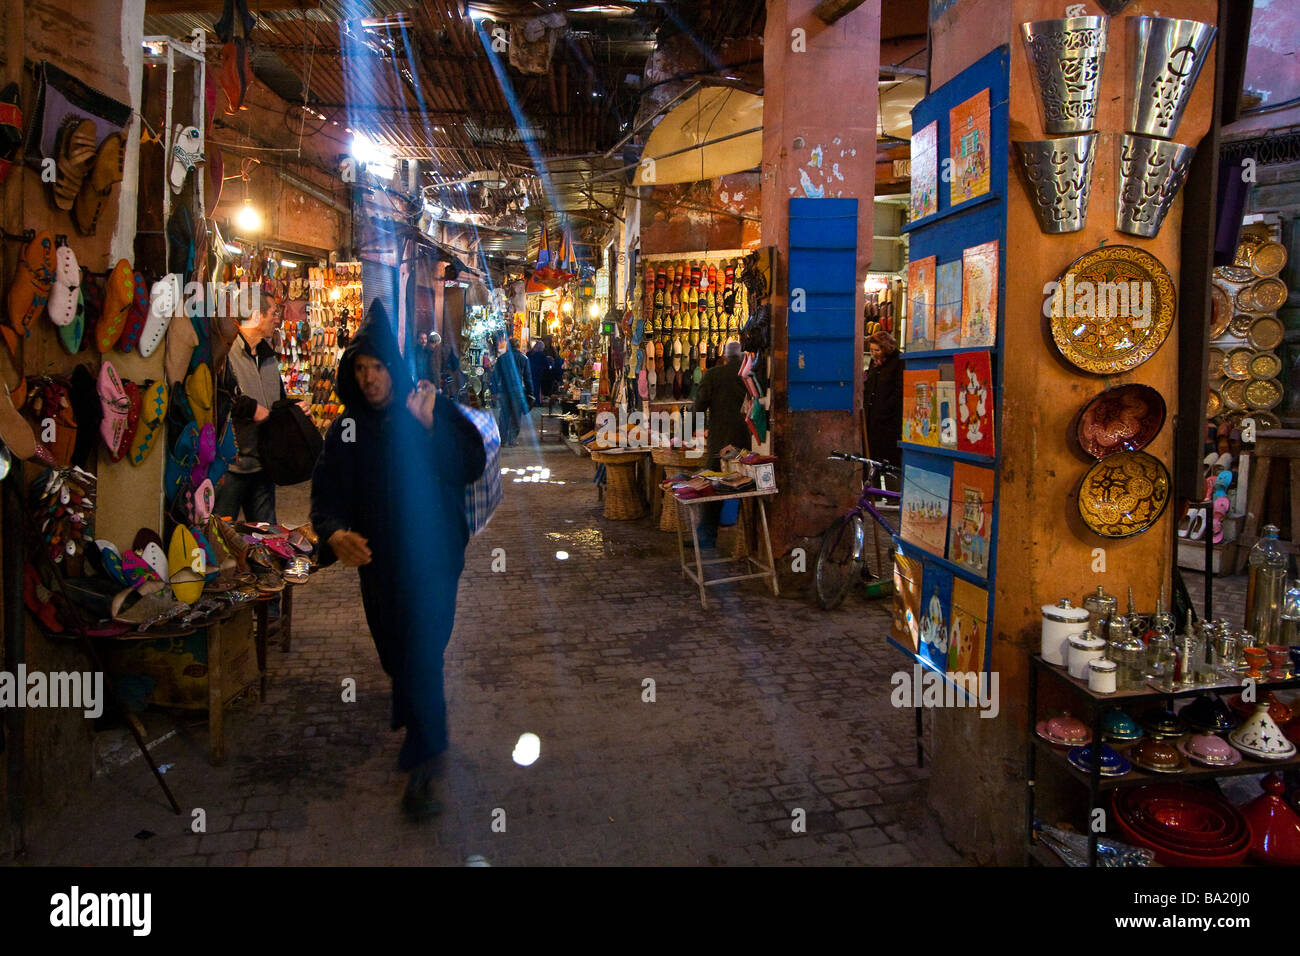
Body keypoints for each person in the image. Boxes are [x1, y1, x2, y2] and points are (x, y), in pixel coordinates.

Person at [309, 301, 486, 821]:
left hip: (432, 559)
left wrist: (433, 429)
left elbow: (469, 464)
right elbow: (326, 493)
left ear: (395, 368)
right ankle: (420, 730)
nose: (369, 379)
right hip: (379, 566)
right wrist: (335, 532)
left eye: (378, 368)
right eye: (360, 369)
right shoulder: (346, 431)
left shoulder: (425, 406)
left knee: (421, 653)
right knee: (397, 654)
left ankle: (424, 762)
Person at [692, 339, 751, 549]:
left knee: (713, 486)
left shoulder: (715, 375)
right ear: (742, 357)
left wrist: (692, 429)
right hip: (746, 441)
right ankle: (746, 540)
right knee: (746, 488)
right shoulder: (749, 376)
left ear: (724, 357)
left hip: (720, 441)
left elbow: (699, 405)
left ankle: (707, 537)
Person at [863, 330, 903, 470]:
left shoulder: (899, 361)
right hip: (872, 420)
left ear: (886, 349)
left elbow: (899, 392)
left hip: (889, 423)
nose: (873, 353)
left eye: (877, 350)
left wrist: (886, 409)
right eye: (871, 350)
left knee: (889, 462)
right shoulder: (874, 363)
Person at [491, 336, 532, 445]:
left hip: (504, 390)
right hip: (517, 391)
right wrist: (531, 393)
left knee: (504, 414)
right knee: (516, 415)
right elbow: (528, 378)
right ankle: (512, 440)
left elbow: (495, 376)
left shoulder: (502, 359)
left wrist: (494, 392)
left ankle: (503, 440)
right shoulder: (524, 359)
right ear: (518, 347)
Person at [527, 340, 549, 408]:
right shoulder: (541, 354)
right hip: (538, 374)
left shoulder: (529, 353)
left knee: (530, 388)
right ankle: (536, 403)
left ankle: (530, 402)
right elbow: (546, 365)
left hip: (529, 372)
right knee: (536, 388)